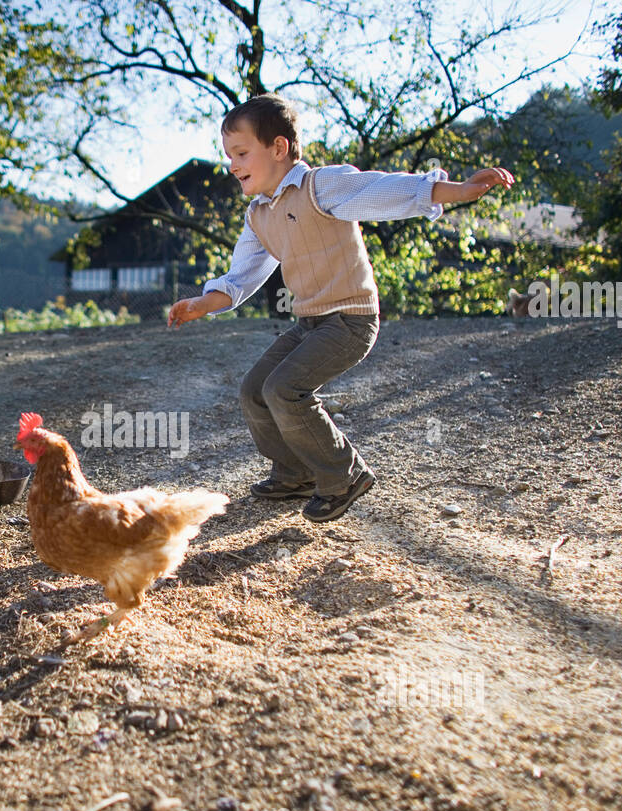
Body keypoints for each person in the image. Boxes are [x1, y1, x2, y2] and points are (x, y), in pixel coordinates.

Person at [169, 93, 514, 522]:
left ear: (278, 148)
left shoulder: (320, 186)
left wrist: (459, 190)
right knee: (254, 390)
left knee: (284, 390)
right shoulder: (259, 214)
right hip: (310, 323)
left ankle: (344, 475)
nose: (232, 165)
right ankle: (294, 473)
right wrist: (203, 303)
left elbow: (387, 190)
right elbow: (242, 277)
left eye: (241, 153)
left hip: (350, 320)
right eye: (228, 156)